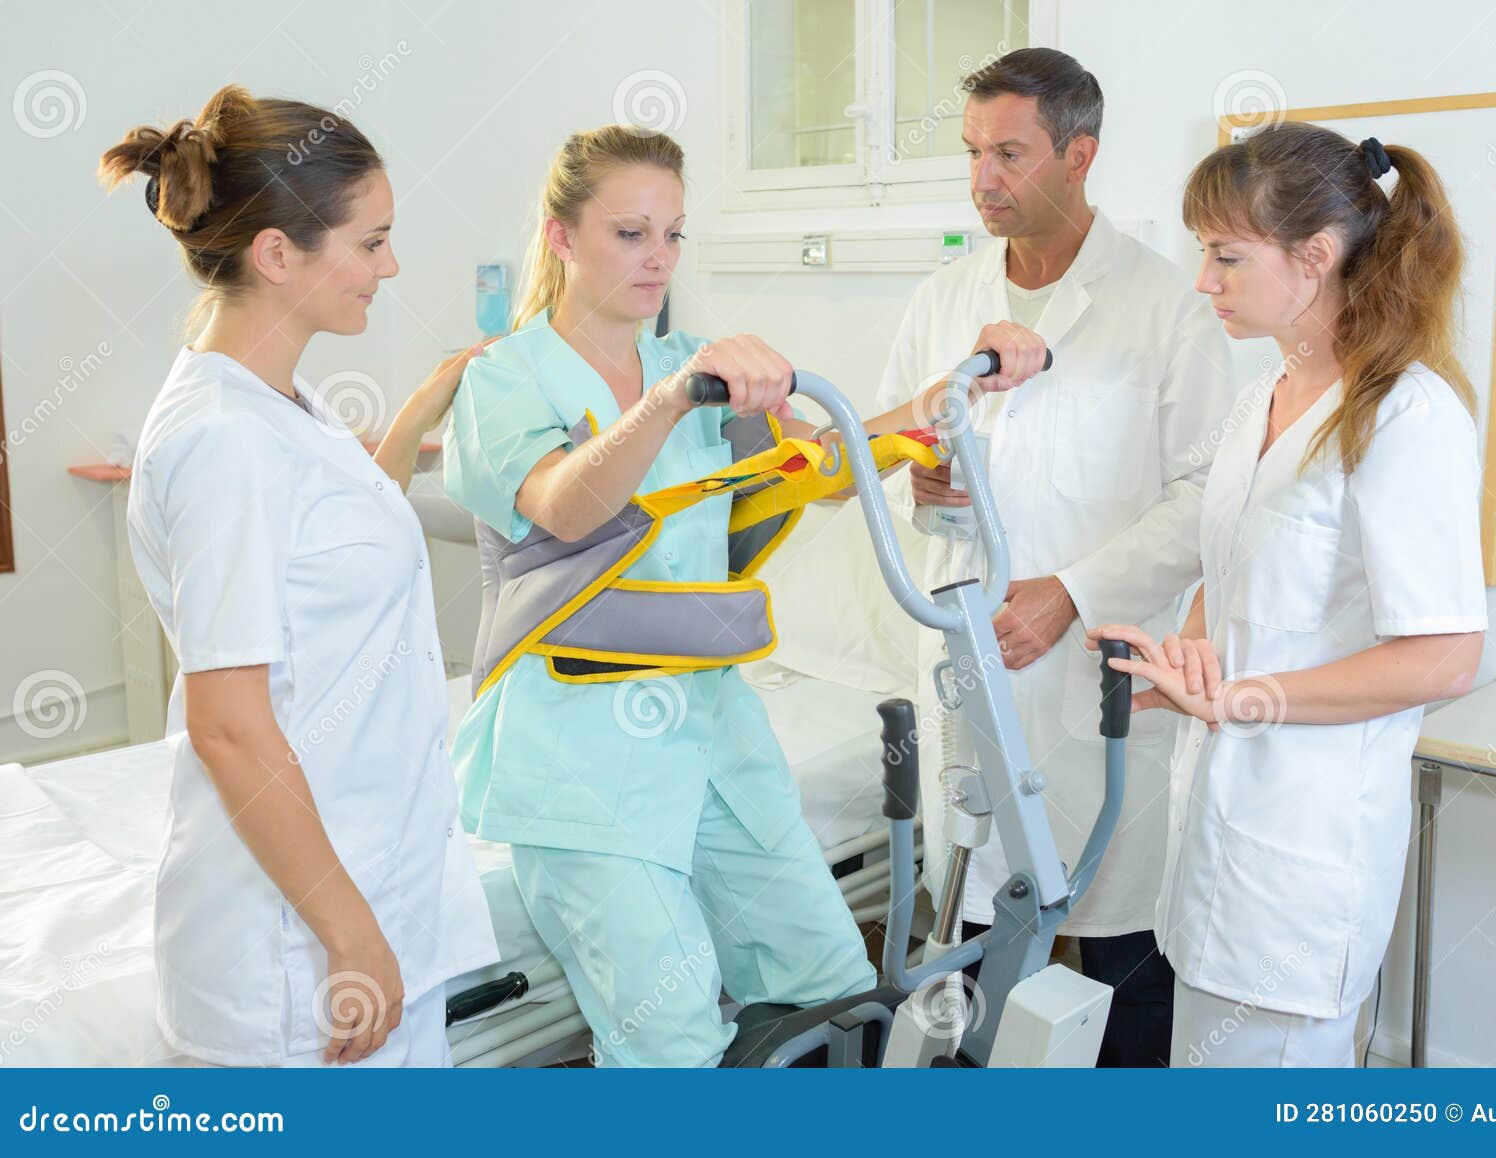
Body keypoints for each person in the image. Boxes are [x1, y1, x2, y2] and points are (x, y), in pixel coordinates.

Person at [443, 124, 1044, 1067]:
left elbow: (832, 463)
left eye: (674, 235)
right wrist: (674, 401)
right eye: (631, 234)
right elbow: (564, 508)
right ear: (561, 237)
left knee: (833, 984)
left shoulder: (685, 359)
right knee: (671, 1046)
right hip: (578, 756)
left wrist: (949, 388)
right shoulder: (503, 378)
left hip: (712, 724)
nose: (659, 258)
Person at [102, 85, 497, 1067]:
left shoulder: (278, 399)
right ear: (278, 253)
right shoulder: (222, 440)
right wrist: (350, 934)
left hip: (361, 895)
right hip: (294, 955)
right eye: (370, 242)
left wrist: (412, 417)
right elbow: (229, 726)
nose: (390, 265)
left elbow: (333, 545)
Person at [1089, 122, 1487, 1067]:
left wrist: (1237, 700)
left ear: (1314, 258)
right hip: (1214, 838)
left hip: (1301, 858)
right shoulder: (1264, 395)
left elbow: (1445, 655)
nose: (1203, 281)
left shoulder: (1404, 413)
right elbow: (1225, 573)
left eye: (1226, 257)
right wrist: (1188, 651)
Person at [875, 47, 1233, 1066]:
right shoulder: (940, 301)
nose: (983, 178)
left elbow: (1207, 495)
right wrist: (922, 484)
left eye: (1010, 154)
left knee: (1125, 953)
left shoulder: (1167, 307)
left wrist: (1071, 593)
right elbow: (891, 461)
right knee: (985, 943)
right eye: (972, 153)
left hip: (1096, 673)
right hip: (974, 672)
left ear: (1079, 155)